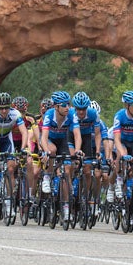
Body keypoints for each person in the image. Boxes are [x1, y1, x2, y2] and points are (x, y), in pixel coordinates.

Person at [0, 92, 29, 217]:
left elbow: (24, 132)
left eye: (6, 108)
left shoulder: (15, 114)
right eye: (1, 108)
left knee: (11, 168)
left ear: (10, 107)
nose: (4, 111)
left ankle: (9, 203)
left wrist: (23, 148)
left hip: (6, 139)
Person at [39, 90, 82, 219]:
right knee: (51, 151)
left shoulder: (72, 114)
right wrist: (45, 151)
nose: (67, 107)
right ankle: (47, 176)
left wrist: (78, 150)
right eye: (64, 105)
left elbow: (77, 135)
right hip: (49, 141)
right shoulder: (49, 115)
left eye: (68, 104)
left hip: (63, 140)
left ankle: (66, 206)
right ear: (56, 107)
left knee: (68, 169)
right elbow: (44, 137)